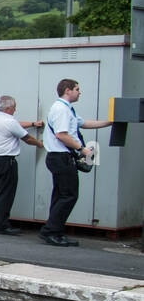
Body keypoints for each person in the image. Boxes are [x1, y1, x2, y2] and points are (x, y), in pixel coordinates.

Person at [40, 78, 111, 246]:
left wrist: (110, 122)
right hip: (61, 157)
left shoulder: (67, 109)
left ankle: (55, 231)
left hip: (60, 158)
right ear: (67, 91)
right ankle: (51, 231)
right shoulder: (61, 110)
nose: (80, 92)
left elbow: (84, 123)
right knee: (69, 195)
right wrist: (82, 149)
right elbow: (62, 135)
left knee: (61, 195)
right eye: (77, 89)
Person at [0, 95, 41, 235]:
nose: (15, 110)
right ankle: (2, 226)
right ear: (9, 108)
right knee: (6, 194)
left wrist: (33, 124)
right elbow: (27, 138)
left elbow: (16, 124)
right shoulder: (9, 122)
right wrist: (40, 144)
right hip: (6, 162)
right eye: (14, 107)